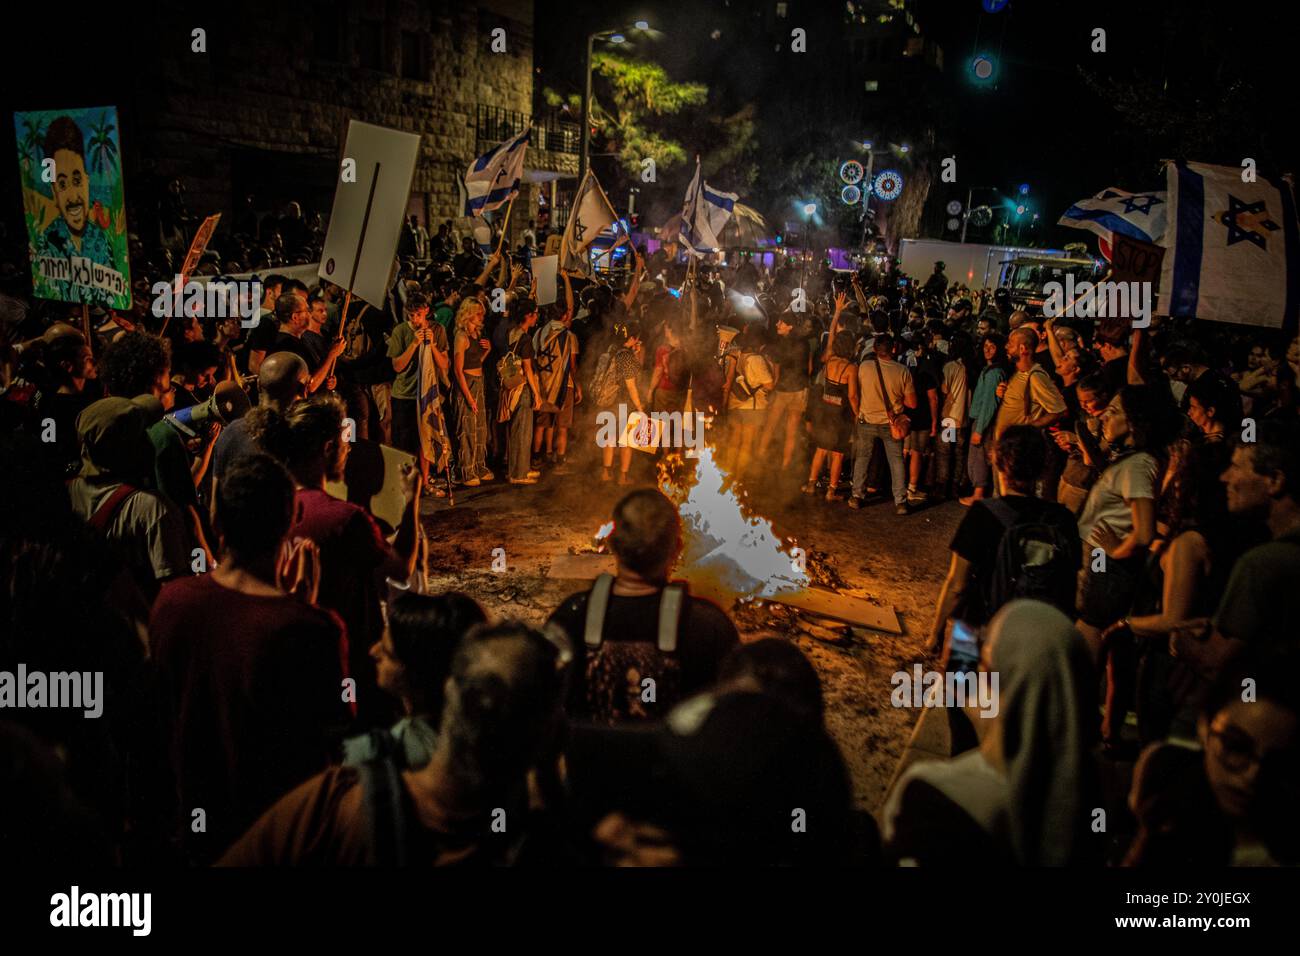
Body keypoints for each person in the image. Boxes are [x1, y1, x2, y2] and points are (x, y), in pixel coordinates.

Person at [218, 621, 567, 866]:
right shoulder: (552, 846)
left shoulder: (336, 806)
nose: (373, 652)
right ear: (546, 736)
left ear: (449, 690)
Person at [149, 454, 351, 864]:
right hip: (274, 837)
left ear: (216, 521)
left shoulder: (171, 603)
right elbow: (331, 743)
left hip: (191, 827)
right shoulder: (311, 630)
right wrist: (303, 611)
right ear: (293, 517)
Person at [247, 393, 422, 729]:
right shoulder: (344, 519)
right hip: (346, 664)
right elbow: (401, 568)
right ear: (328, 449)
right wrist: (411, 500)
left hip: (291, 666)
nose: (350, 449)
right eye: (345, 441)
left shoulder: (266, 510)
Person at [883, 600, 1100, 866]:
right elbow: (981, 702)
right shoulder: (1092, 799)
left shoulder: (932, 795)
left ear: (990, 679)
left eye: (984, 664)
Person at [547, 489, 740, 724]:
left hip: (592, 760)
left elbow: (542, 712)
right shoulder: (709, 628)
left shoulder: (571, 618)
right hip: (672, 760)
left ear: (612, 544)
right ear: (677, 549)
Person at [1124, 660, 1299, 866]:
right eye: (1236, 747)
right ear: (1204, 725)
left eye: (1278, 761)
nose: (1253, 774)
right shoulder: (1164, 772)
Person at [927, 425, 1081, 652]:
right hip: (1035, 636)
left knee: (960, 686)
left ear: (997, 462)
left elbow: (957, 584)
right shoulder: (1063, 519)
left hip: (978, 628)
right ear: (1043, 466)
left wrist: (935, 632)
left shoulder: (983, 514)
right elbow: (1071, 584)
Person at [1177, 420, 1300, 674]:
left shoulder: (1263, 564)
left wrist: (1182, 638)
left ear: (1275, 480)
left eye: (1235, 467)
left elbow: (1218, 662)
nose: (1224, 477)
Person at [1075, 385, 1176, 658]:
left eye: (1114, 411)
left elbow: (1144, 532)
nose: (1105, 416)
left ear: (1134, 422)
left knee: (1089, 633)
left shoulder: (1138, 464)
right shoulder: (1133, 458)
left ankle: (1076, 695)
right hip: (1103, 561)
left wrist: (1115, 549)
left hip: (1108, 566)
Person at [342, 591, 487, 769]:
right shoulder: (495, 746)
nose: (373, 651)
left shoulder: (373, 754)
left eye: (388, 652)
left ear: (416, 670)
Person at [387, 291, 450, 491]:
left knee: (426, 438)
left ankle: (425, 481)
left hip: (427, 393)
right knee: (404, 442)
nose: (414, 319)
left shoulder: (438, 330)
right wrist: (414, 343)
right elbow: (397, 366)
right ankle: (405, 483)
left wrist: (431, 345)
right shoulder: (400, 332)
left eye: (418, 315)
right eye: (410, 315)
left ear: (426, 312)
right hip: (404, 394)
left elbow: (444, 364)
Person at [851, 333, 917, 514]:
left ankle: (857, 496)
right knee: (896, 461)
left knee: (863, 458)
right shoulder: (902, 371)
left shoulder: (864, 367)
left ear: (874, 350)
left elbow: (855, 393)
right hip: (892, 423)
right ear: (893, 349)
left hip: (866, 420)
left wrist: (858, 412)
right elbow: (912, 403)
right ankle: (901, 502)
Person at [802, 329, 859, 502]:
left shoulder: (829, 361)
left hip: (825, 411)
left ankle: (811, 485)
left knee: (820, 450)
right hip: (841, 416)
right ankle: (831, 491)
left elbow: (829, 339)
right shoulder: (851, 368)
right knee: (838, 454)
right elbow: (852, 395)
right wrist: (858, 413)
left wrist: (836, 314)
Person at [757, 311, 812, 473]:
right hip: (800, 390)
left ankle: (759, 458)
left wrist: (774, 382)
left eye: (781, 322)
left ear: (790, 326)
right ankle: (785, 465)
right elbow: (809, 368)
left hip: (783, 391)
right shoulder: (805, 343)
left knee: (770, 425)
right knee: (792, 430)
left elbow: (776, 367)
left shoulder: (781, 343)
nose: (777, 324)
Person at [720, 322, 775, 479]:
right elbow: (769, 384)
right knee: (746, 443)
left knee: (734, 441)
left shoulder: (737, 355)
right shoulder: (757, 359)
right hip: (752, 407)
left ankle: (728, 472)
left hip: (734, 402)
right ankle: (739, 476)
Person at [960, 332, 1009, 506]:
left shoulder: (994, 374)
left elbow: (989, 403)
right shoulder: (987, 370)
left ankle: (979, 494)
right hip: (979, 420)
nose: (987, 350)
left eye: (992, 346)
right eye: (985, 346)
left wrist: (979, 430)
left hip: (983, 423)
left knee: (979, 458)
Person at [499, 295, 543, 485]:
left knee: (516, 430)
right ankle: (518, 474)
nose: (536, 318)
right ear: (529, 316)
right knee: (522, 431)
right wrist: (537, 394)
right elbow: (527, 368)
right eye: (535, 315)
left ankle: (520, 469)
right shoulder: (525, 339)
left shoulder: (511, 332)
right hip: (521, 386)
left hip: (509, 385)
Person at [452, 298, 492, 487]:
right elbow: (458, 370)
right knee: (467, 428)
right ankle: (465, 469)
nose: (481, 316)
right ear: (468, 314)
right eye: (478, 313)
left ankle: (478, 464)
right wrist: (468, 397)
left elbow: (476, 361)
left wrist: (487, 352)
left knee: (480, 427)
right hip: (466, 383)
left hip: (478, 380)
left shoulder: (476, 333)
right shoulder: (461, 337)